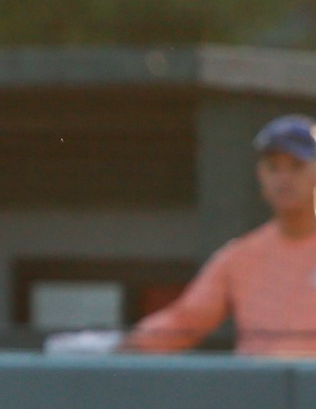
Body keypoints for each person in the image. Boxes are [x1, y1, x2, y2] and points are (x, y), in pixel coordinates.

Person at [126, 115, 316, 357]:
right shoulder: (241, 256)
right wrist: (124, 345)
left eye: (296, 166)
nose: (284, 178)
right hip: (260, 390)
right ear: (261, 174)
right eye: (273, 167)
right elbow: (185, 321)